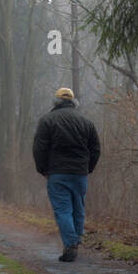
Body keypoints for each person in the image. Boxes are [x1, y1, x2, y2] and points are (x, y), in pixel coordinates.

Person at [32, 86, 100, 262]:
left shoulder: (47, 120)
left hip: (57, 173)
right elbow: (95, 149)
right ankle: (75, 241)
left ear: (56, 101)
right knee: (78, 209)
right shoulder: (86, 122)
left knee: (63, 210)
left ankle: (71, 244)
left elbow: (39, 148)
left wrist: (42, 169)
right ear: (73, 101)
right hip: (80, 174)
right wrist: (88, 168)